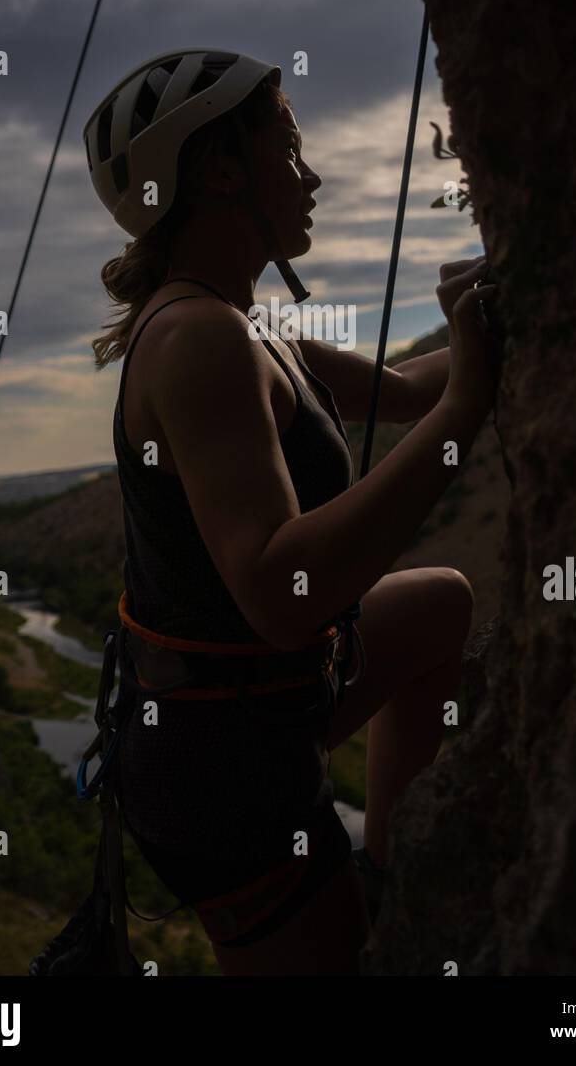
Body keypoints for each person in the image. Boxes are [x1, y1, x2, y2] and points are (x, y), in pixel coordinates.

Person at [85, 49, 497, 975]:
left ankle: (389, 866)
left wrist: (492, 314)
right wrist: (467, 410)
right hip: (222, 773)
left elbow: (402, 391)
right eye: (292, 150)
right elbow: (281, 590)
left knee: (438, 604)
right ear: (222, 170)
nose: (311, 177)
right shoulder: (199, 339)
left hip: (250, 708)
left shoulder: (249, 327)